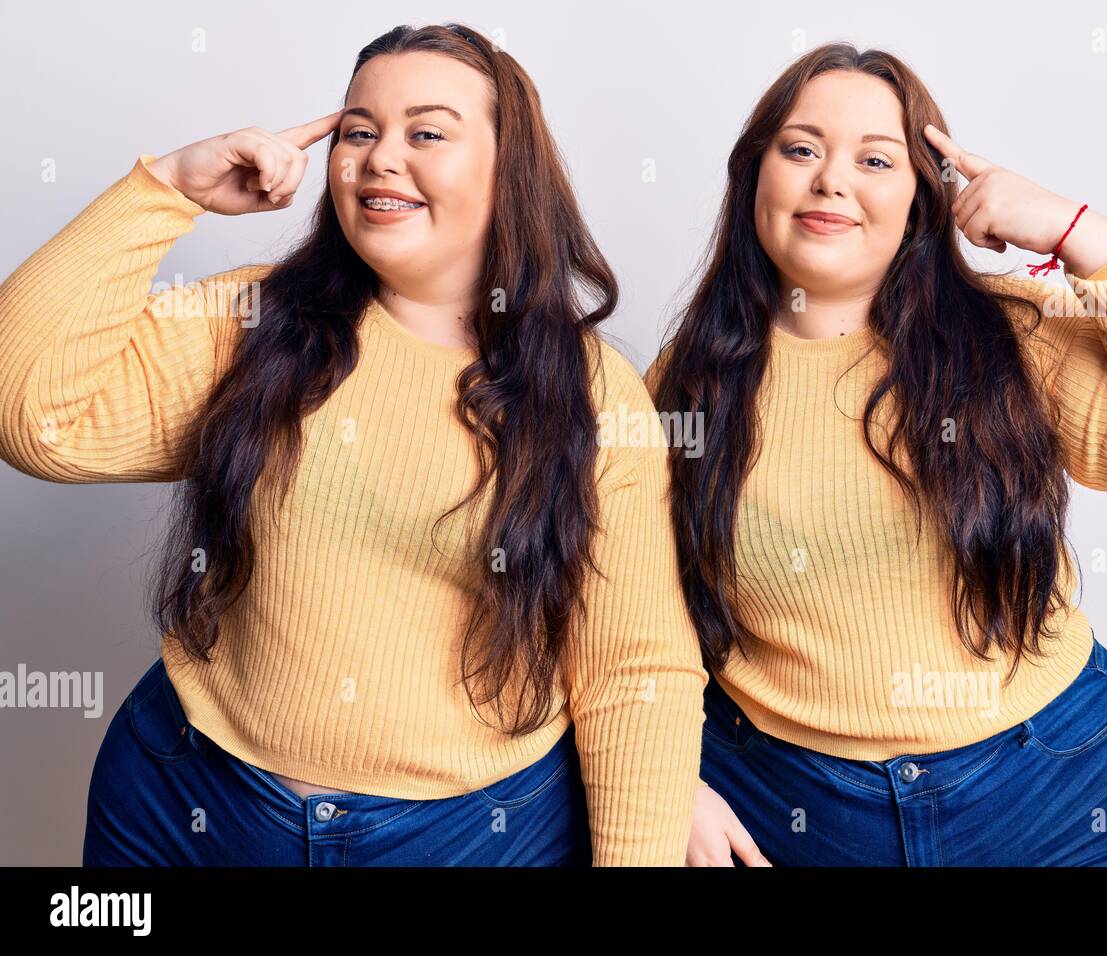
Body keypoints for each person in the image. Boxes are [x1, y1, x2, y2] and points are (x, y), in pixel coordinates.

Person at [0, 22, 706, 867]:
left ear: (507, 168)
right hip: (185, 807)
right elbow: (32, 414)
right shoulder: (256, 323)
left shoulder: (589, 394)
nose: (378, 157)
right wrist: (167, 189)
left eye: (427, 132)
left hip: (464, 840)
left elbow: (636, 673)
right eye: (360, 130)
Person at [645, 43, 1107, 866]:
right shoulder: (687, 379)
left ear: (924, 198)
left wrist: (1076, 230)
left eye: (876, 159)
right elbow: (637, 611)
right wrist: (673, 780)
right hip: (787, 807)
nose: (832, 180)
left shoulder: (1011, 339)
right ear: (755, 179)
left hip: (1061, 796)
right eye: (801, 148)